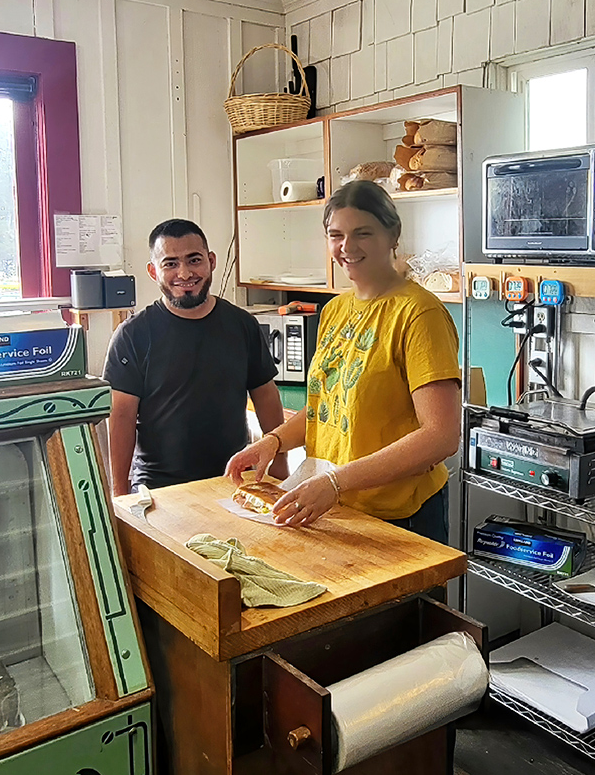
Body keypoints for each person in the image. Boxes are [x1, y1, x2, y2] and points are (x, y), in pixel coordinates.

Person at [226, 181, 461, 543]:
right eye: (336, 235)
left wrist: (336, 482)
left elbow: (441, 436)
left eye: (362, 233)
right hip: (337, 507)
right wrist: (272, 442)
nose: (347, 247)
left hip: (400, 518)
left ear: (393, 234)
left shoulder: (419, 314)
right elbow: (327, 407)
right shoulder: (335, 310)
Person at [103, 218, 287, 496]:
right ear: (153, 272)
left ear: (211, 261)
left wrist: (280, 464)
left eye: (194, 260)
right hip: (158, 488)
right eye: (170, 264)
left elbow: (266, 397)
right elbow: (121, 417)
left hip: (234, 480)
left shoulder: (242, 325)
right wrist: (119, 492)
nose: (185, 273)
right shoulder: (132, 335)